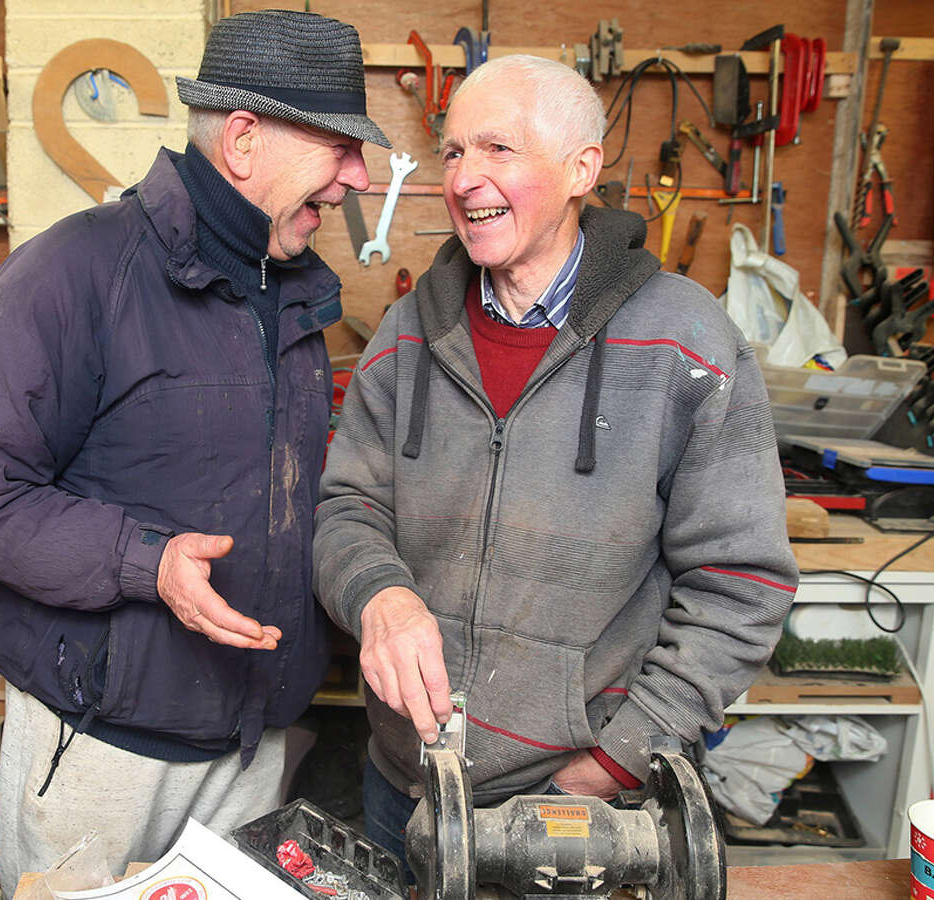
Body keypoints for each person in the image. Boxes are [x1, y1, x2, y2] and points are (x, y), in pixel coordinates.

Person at [0, 11, 389, 895]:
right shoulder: (71, 274)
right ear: (245, 140)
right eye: (338, 146)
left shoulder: (289, 292)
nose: (355, 179)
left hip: (251, 749)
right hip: (102, 755)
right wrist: (149, 563)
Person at [312, 54, 799, 873]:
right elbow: (346, 507)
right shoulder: (406, 333)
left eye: (498, 149)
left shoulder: (686, 342)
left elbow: (742, 585)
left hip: (583, 813)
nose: (466, 179)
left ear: (583, 168)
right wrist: (381, 595)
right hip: (406, 789)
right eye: (455, 151)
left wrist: (616, 763)